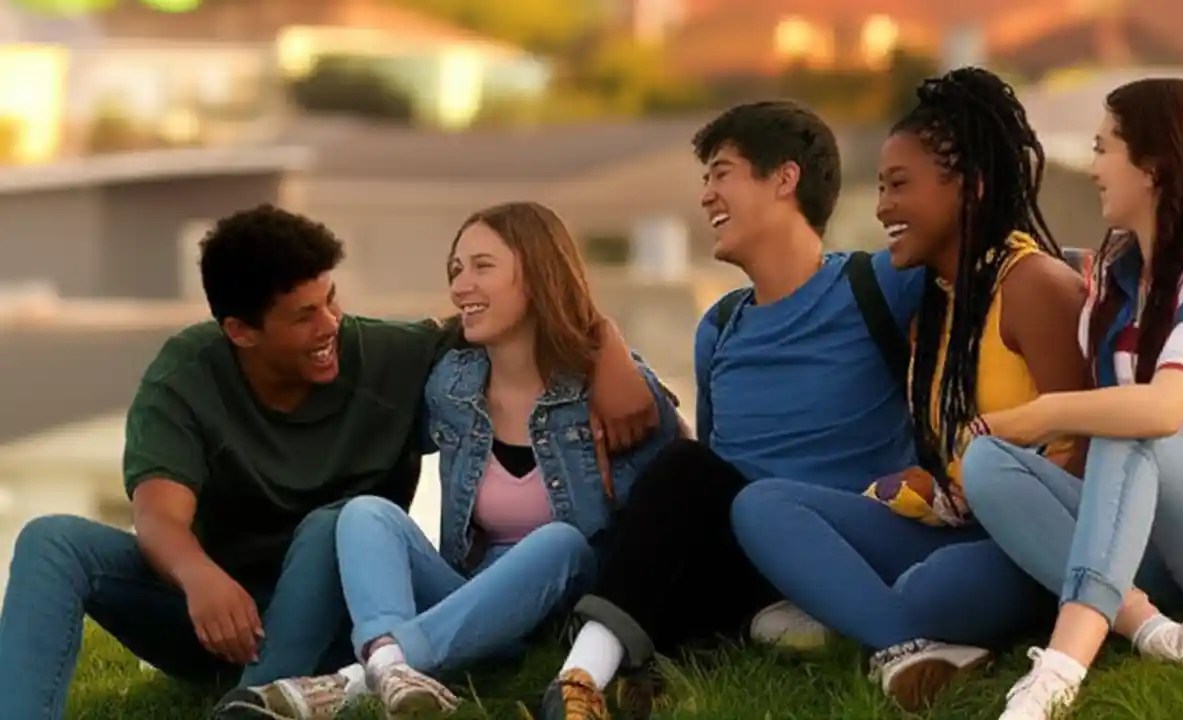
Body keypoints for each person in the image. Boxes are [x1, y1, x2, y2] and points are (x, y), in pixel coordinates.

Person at [0, 204, 661, 720]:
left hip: (327, 620)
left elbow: (521, 317)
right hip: (214, 612)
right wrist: (200, 577)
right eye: (304, 316)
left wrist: (608, 348)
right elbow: (157, 511)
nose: (331, 325)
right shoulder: (189, 372)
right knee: (52, 539)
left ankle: (267, 700)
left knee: (337, 520)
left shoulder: (390, 355)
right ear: (241, 331)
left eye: (332, 300)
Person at [537, 100, 928, 720]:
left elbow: (995, 270)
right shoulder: (719, 328)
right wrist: (607, 343)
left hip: (847, 546)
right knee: (683, 468)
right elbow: (712, 469)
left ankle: (780, 628)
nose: (706, 195)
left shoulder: (878, 285)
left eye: (721, 173)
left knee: (691, 474)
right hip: (743, 564)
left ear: (784, 178)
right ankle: (578, 680)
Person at [214, 201, 681, 720]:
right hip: (469, 601)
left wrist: (609, 347)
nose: (460, 286)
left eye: (483, 266)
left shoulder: (613, 386)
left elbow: (675, 503)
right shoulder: (450, 386)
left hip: (566, 609)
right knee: (364, 514)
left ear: (539, 271)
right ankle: (391, 668)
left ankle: (348, 682)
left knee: (560, 541)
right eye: (456, 270)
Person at [730, 67, 1090, 711]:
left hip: (1030, 546)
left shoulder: (1033, 287)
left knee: (934, 589)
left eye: (900, 186)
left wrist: (990, 499)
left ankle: (871, 622)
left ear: (970, 189)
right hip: (954, 526)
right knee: (763, 506)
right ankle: (909, 646)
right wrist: (934, 491)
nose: (882, 208)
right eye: (880, 187)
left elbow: (1086, 459)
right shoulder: (936, 302)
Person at [962, 78, 1183, 720]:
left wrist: (1042, 414)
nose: (1095, 166)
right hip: (1149, 537)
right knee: (988, 460)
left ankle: (1058, 672)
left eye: (1105, 148)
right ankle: (1160, 634)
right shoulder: (1120, 279)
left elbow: (1160, 411)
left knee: (1128, 420)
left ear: (1154, 165)